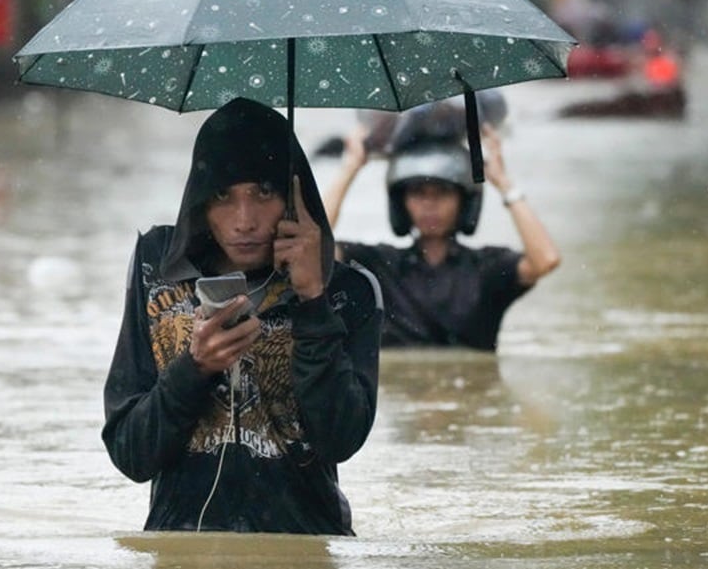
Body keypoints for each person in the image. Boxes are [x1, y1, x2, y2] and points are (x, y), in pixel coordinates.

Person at [102, 97, 382, 535]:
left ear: (294, 197)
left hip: (302, 547)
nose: (244, 220)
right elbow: (131, 455)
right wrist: (193, 369)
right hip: (182, 550)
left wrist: (311, 300)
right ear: (199, 201)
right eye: (223, 196)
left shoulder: (348, 292)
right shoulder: (157, 269)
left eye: (263, 193)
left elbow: (339, 439)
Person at [322, 110, 560, 352]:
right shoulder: (380, 268)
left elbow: (545, 260)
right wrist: (349, 169)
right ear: (401, 203)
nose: (429, 205)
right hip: (402, 389)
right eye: (418, 193)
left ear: (464, 202)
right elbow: (315, 247)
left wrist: (504, 183)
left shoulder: (487, 270)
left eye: (442, 193)